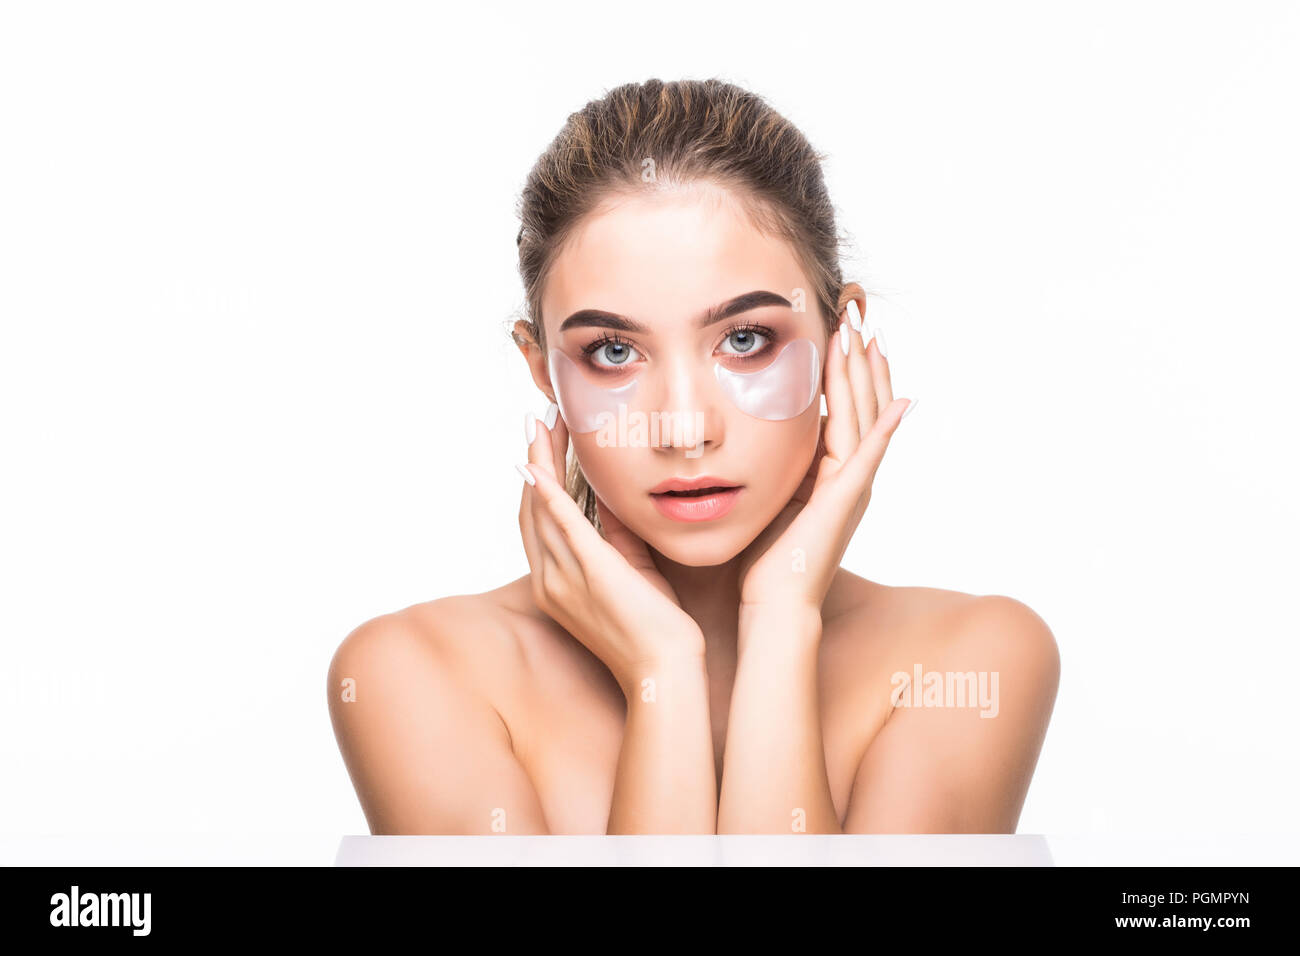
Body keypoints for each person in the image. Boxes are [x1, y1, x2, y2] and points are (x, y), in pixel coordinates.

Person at [328, 78, 1060, 834]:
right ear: (542, 366)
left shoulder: (971, 663)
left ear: (841, 339)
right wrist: (661, 672)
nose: (683, 430)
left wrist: (782, 618)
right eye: (613, 351)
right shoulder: (413, 676)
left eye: (746, 341)